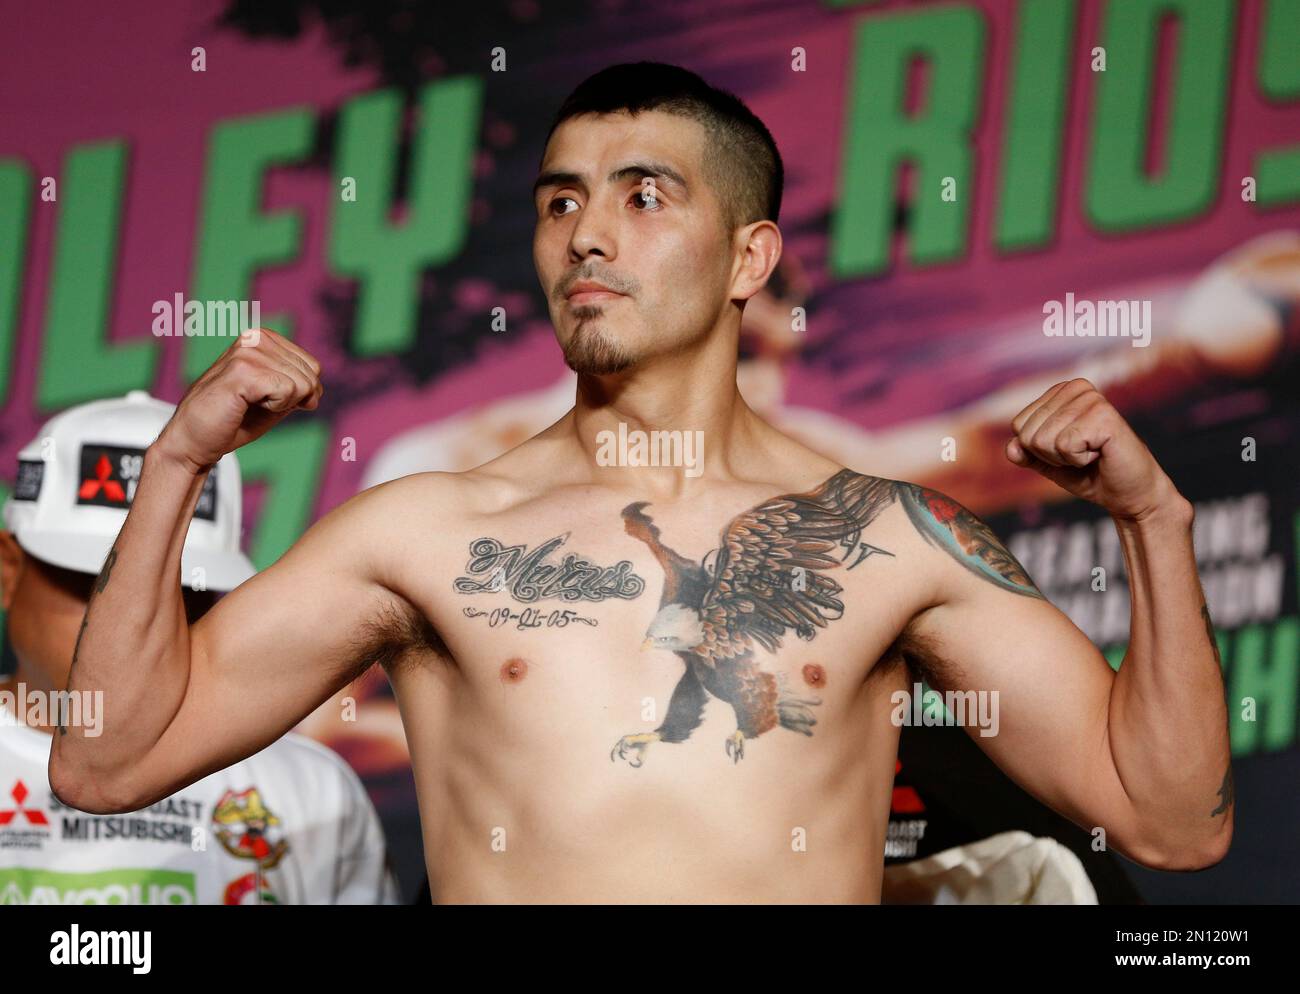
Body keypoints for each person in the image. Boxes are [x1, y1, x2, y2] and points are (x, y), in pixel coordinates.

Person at [49, 63, 1232, 903]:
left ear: (750, 258)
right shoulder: (424, 532)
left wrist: (1154, 520)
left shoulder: (887, 533)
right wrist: (178, 463)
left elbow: (1170, 823)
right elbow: (107, 761)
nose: (586, 237)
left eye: (642, 195)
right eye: (561, 200)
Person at [0, 391, 400, 905]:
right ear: (9, 570)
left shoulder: (313, 792)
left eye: (178, 589)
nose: (124, 624)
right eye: (92, 583)